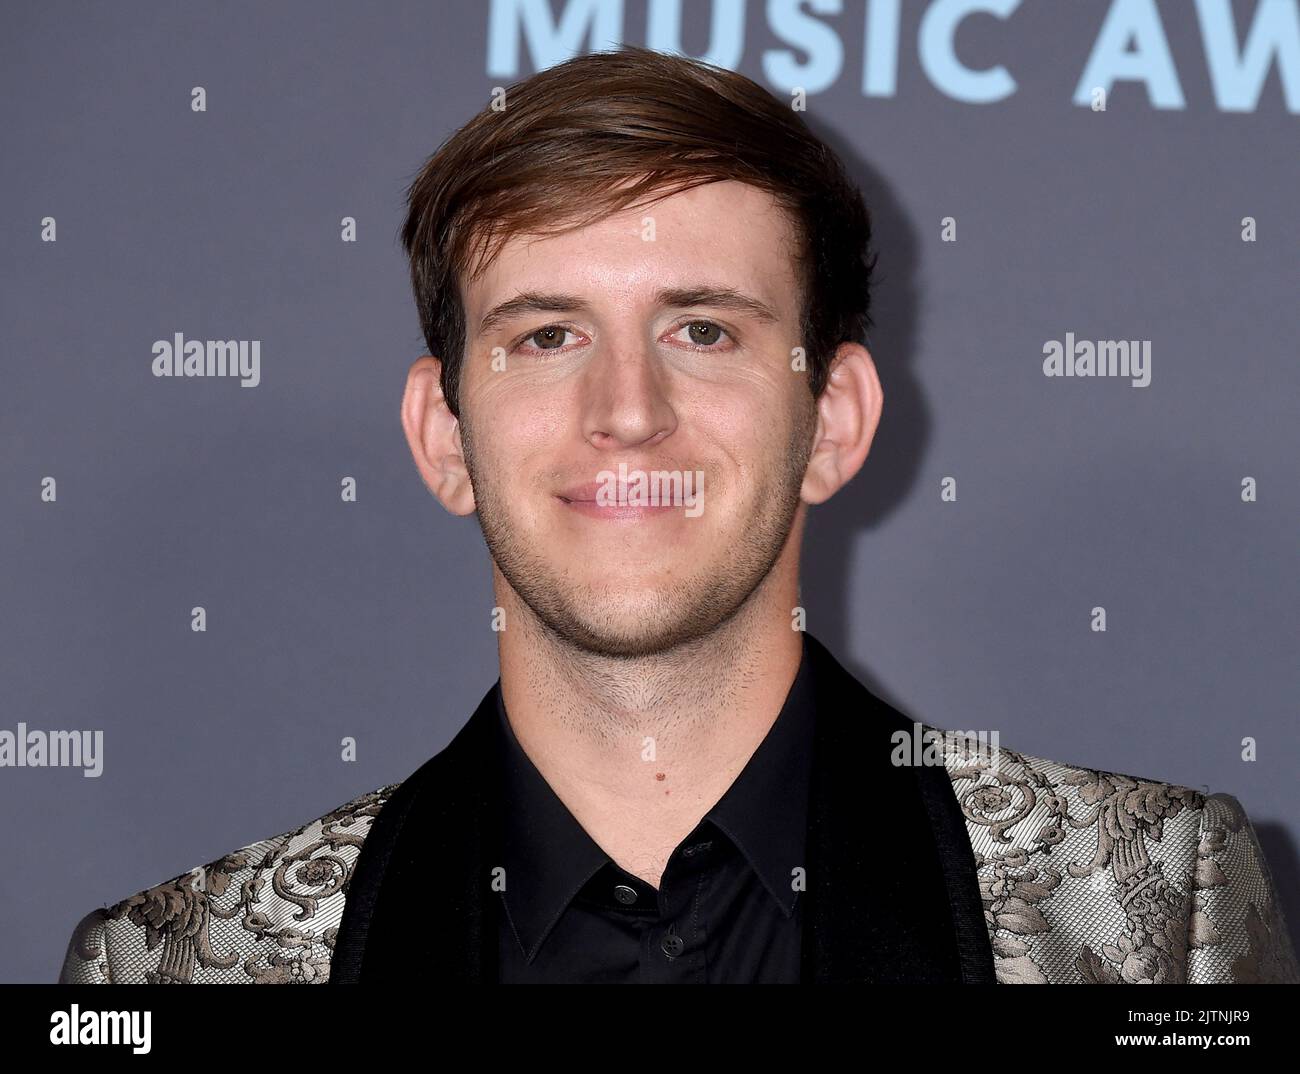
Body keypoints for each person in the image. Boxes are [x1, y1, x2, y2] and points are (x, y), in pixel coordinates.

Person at [58, 46, 1297, 985]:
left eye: (701, 329)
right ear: (445, 438)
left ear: (834, 421)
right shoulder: (174, 969)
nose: (627, 410)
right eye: (546, 336)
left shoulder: (1142, 919)